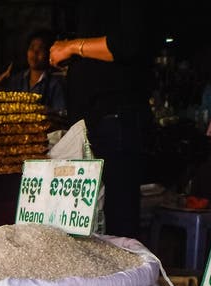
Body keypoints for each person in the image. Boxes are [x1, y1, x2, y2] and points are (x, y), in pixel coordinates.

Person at [49, 3, 153, 240]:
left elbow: (127, 43)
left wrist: (73, 48)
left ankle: (123, 275)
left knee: (118, 221)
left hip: (116, 120)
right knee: (93, 218)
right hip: (96, 121)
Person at [0, 28, 66, 118]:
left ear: (49, 53)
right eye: (32, 47)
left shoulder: (54, 83)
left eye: (41, 49)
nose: (35, 52)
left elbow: (62, 113)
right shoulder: (17, 80)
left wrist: (45, 112)